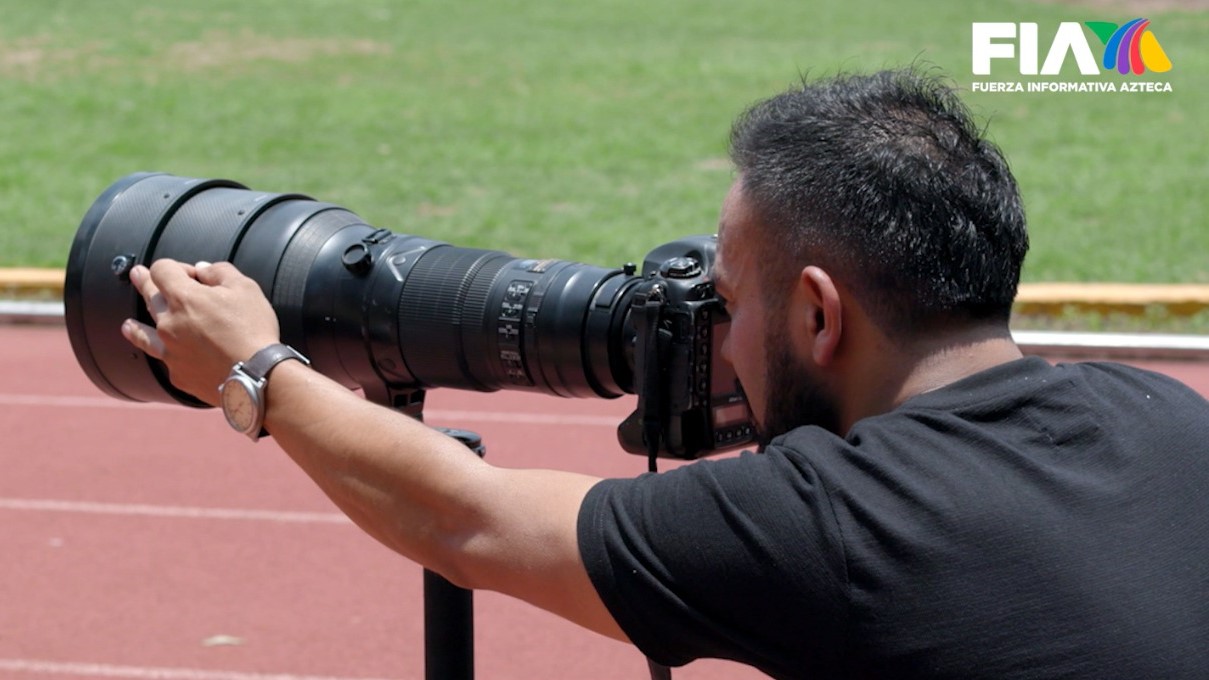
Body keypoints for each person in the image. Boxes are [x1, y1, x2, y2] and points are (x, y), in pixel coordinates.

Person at [119, 67, 1209, 679]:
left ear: (820, 313)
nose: (716, 338)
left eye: (728, 303)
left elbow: (464, 520)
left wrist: (254, 365)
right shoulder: (1166, 415)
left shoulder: (829, 519)